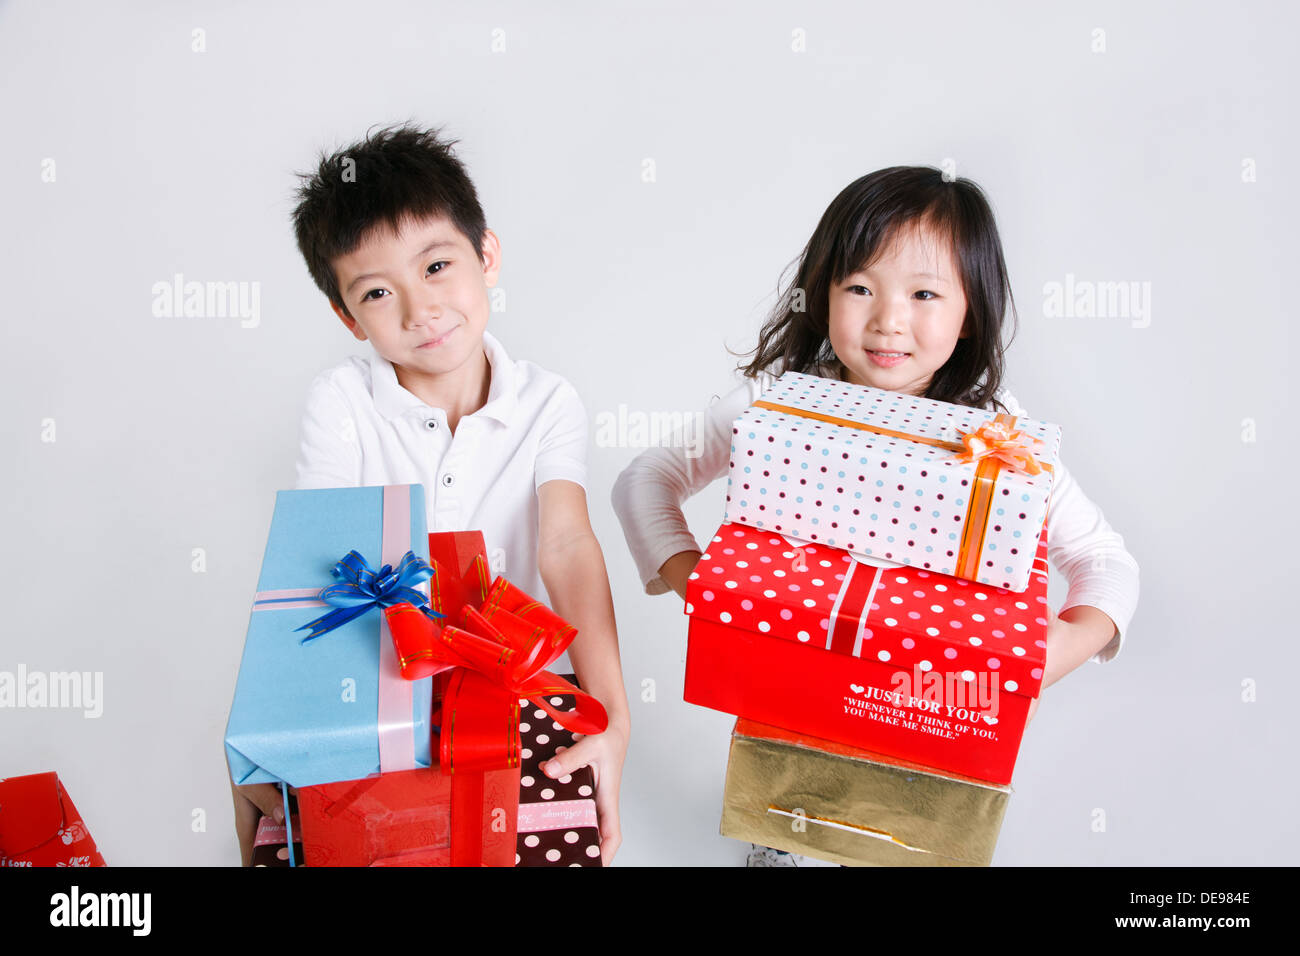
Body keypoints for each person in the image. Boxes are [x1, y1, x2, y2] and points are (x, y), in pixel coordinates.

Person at [611, 166, 1140, 866]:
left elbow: (1107, 563)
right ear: (823, 292)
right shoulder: (778, 408)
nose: (889, 320)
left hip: (928, 758)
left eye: (924, 294)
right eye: (860, 287)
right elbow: (646, 479)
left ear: (970, 311)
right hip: (789, 763)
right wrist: (710, 589)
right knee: (789, 836)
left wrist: (1043, 659)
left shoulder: (999, 438)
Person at [229, 124, 629, 866]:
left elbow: (567, 544)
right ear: (347, 317)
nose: (421, 310)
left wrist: (615, 716)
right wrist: (260, 736)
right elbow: (315, 568)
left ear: (488, 256)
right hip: (375, 682)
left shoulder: (548, 401)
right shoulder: (341, 401)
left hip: (522, 679)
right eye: (379, 292)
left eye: (438, 266)